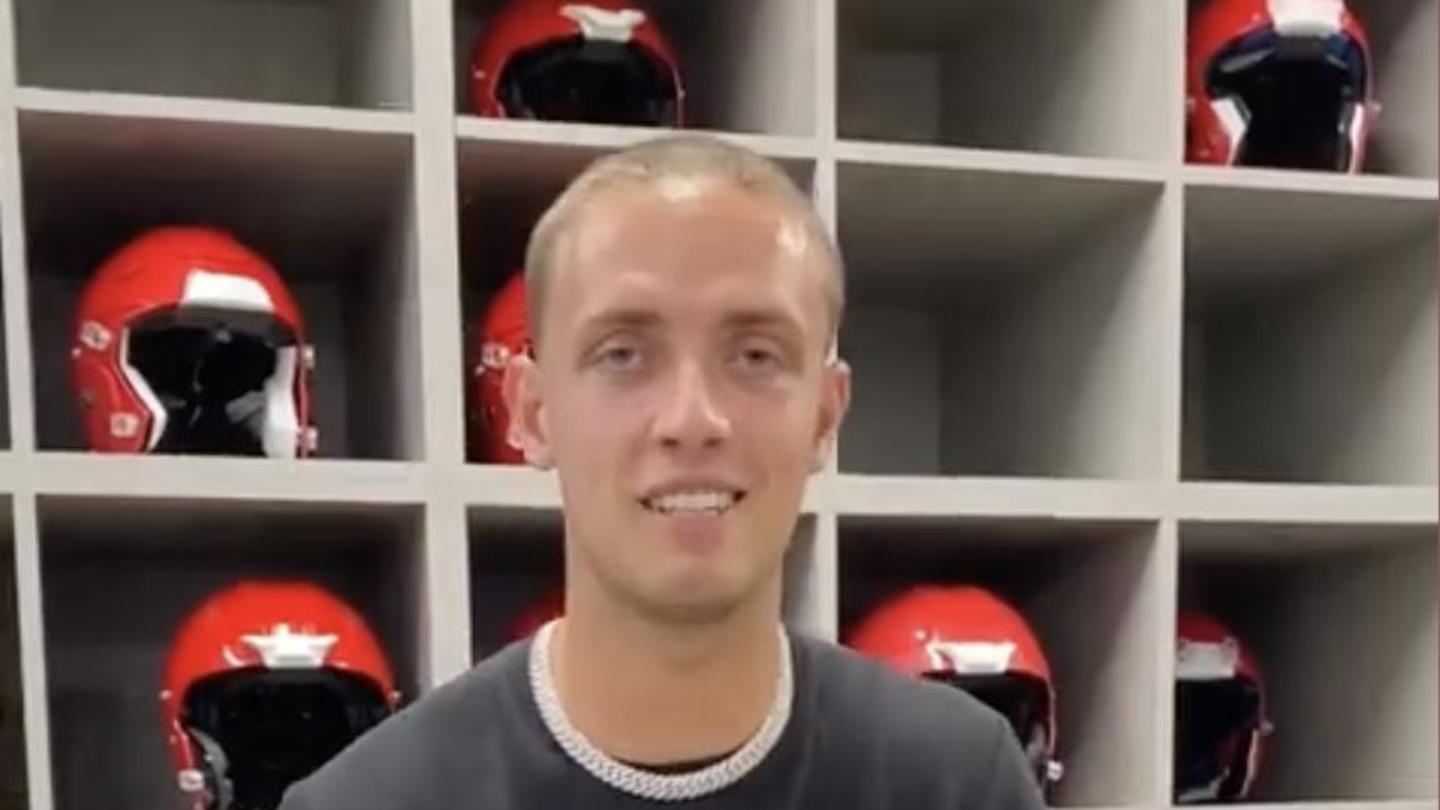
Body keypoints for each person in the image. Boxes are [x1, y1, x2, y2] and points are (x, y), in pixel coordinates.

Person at [279, 134, 1045, 809]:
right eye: (623, 354)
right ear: (533, 412)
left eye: (755, 355)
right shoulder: (368, 800)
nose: (691, 419)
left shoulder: (959, 782)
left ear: (824, 413)